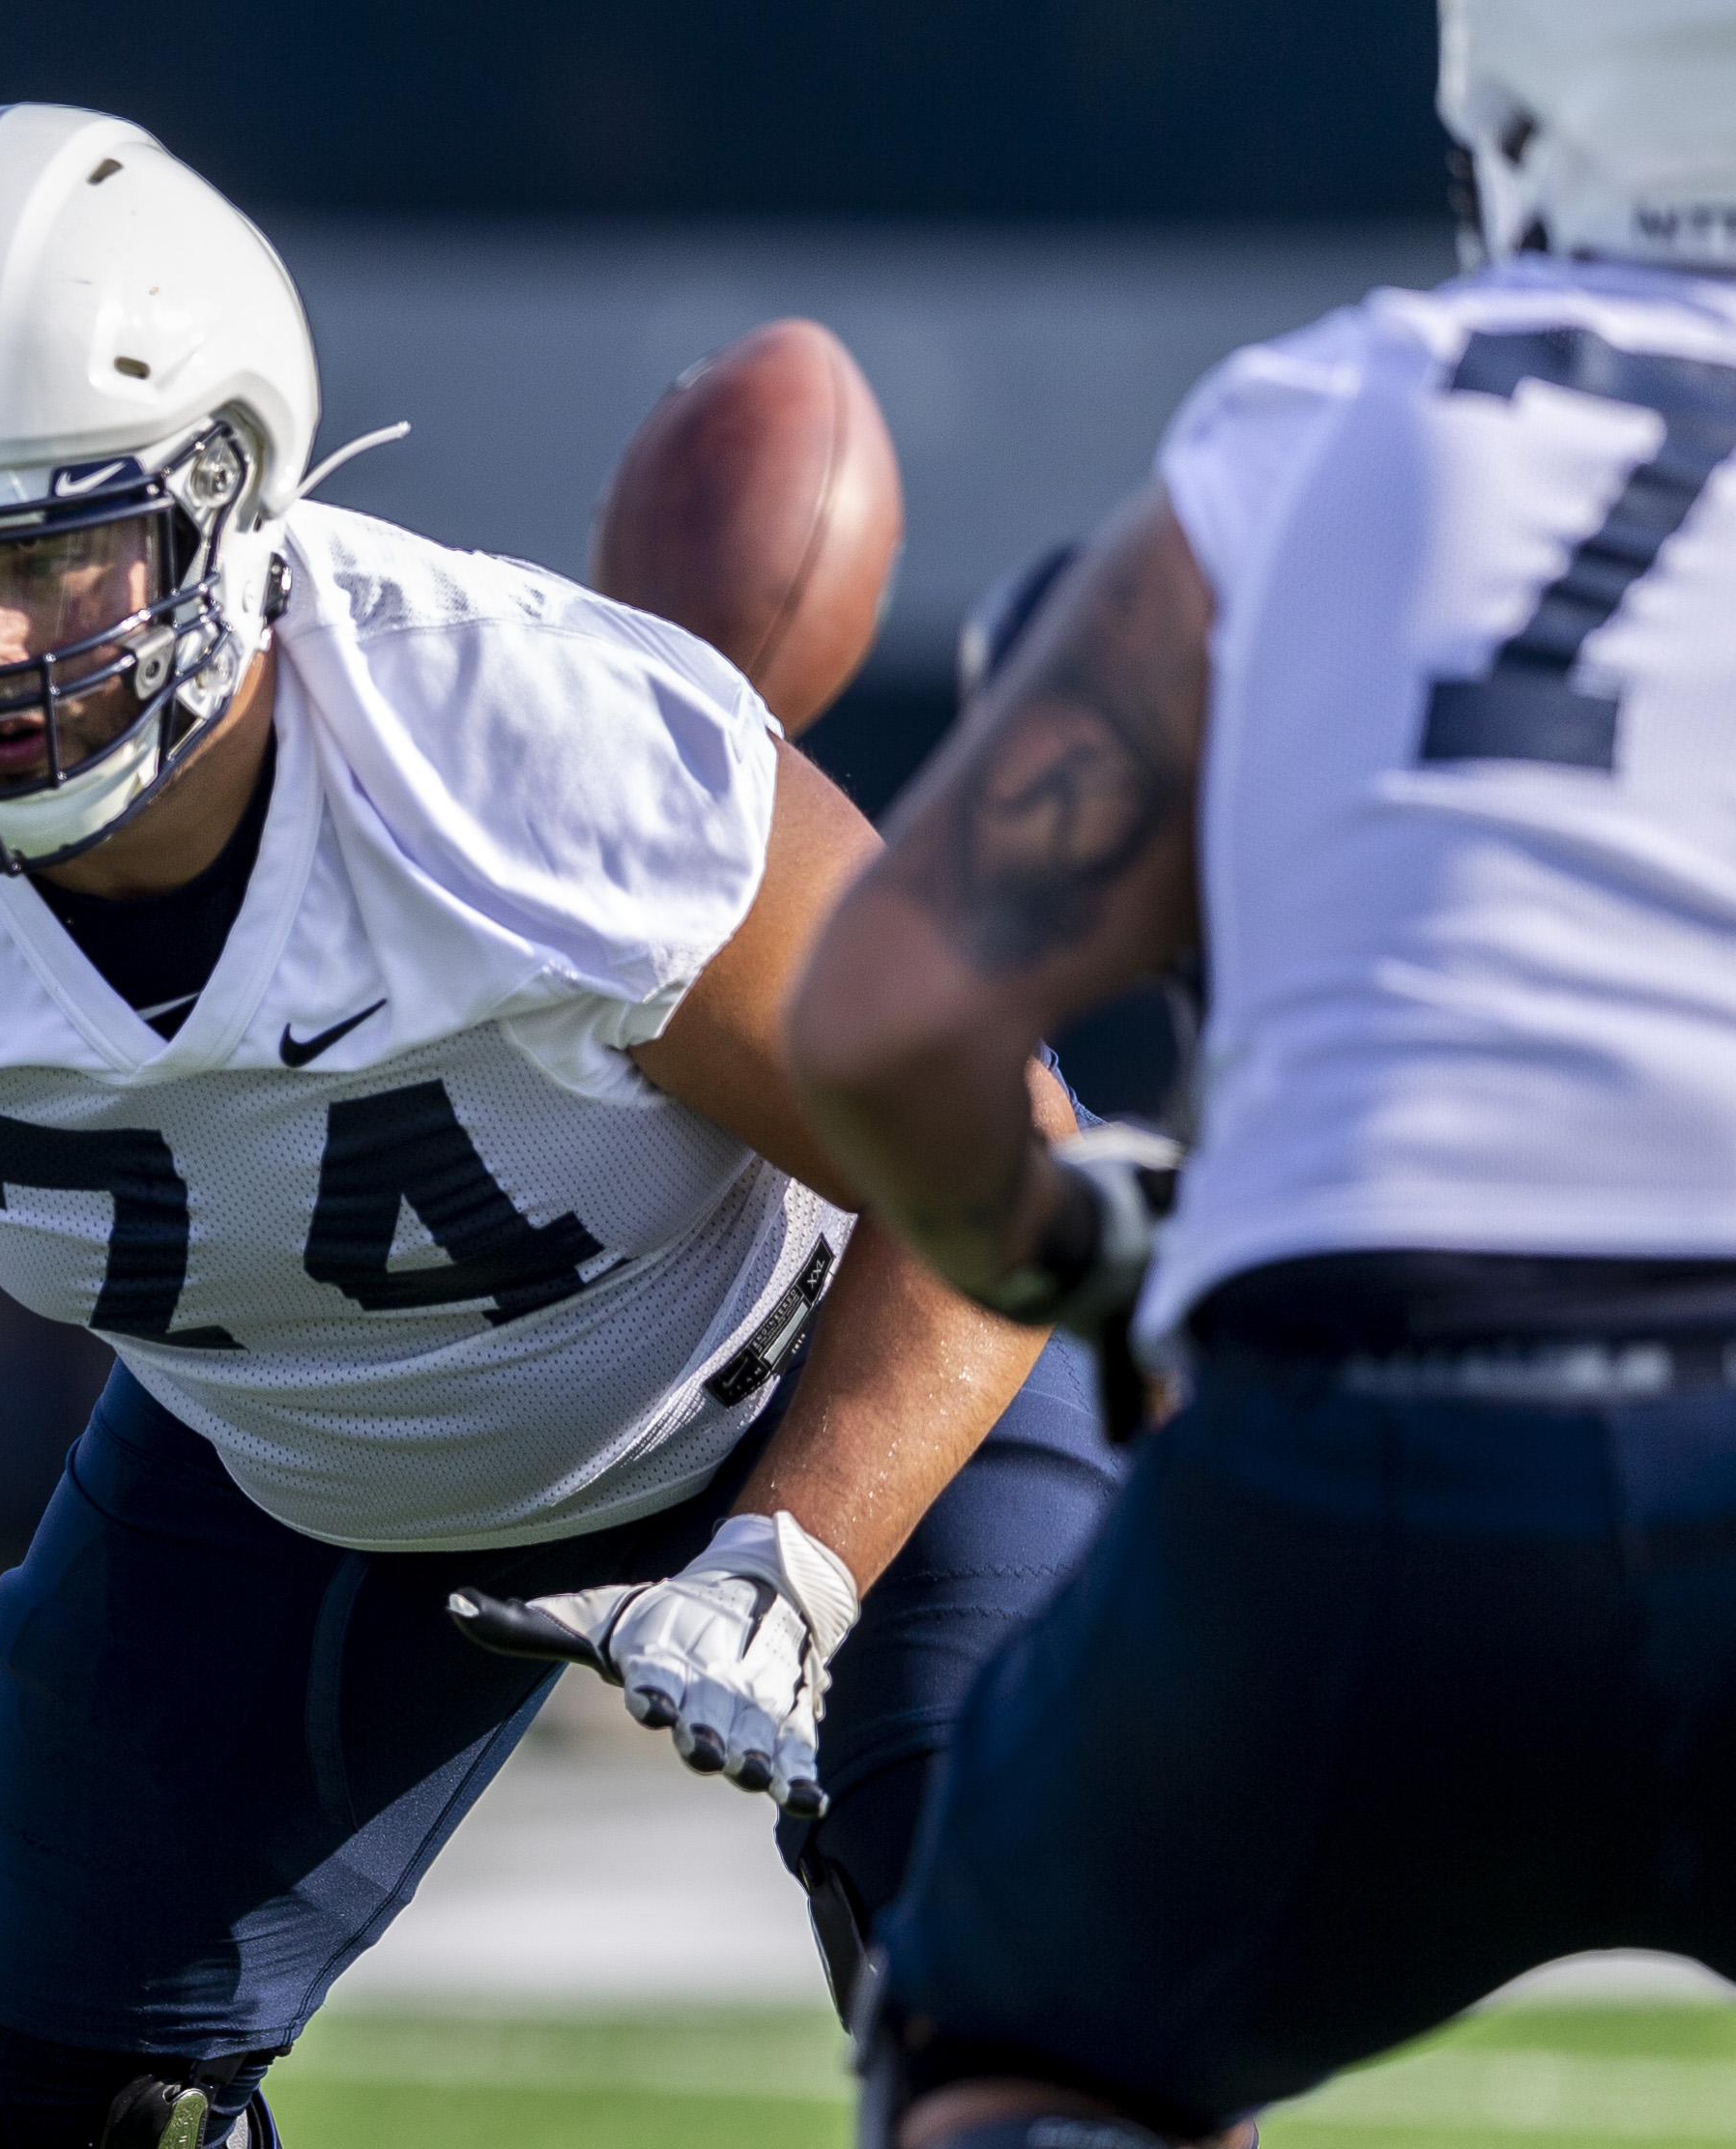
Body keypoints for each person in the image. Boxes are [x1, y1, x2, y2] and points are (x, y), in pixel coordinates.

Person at [0, 103, 1121, 2148]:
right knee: (46, 2101)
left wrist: (795, 1552)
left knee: (1043, 2041)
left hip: (806, 1372)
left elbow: (992, 1162)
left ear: (225, 494)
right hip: (295, 1473)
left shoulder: (515, 753)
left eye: (43, 552)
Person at [786, 7, 1736, 2146]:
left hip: (1363, 1454)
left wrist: (1087, 1256)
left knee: (1008, 2059)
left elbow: (883, 1018)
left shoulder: (1326, 417)